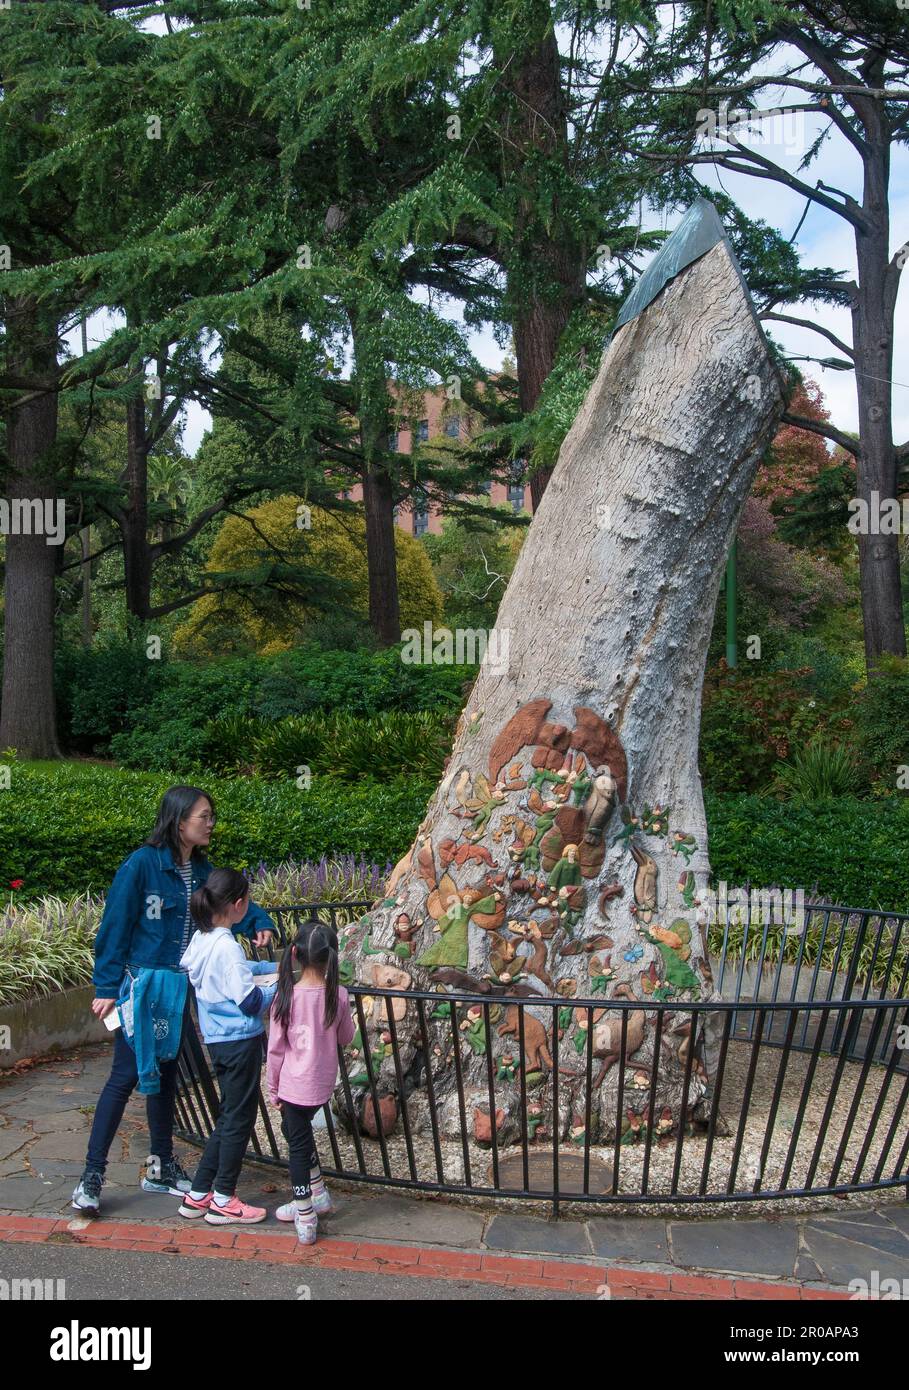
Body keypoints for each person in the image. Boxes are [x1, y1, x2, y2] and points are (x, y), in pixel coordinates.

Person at [72, 786, 275, 1217]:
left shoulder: (200, 868)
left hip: (178, 990)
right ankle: (91, 1176)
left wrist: (259, 921)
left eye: (211, 816)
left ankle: (161, 1166)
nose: (210, 822)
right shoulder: (141, 865)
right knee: (125, 1075)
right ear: (179, 819)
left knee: (166, 1074)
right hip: (143, 987)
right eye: (204, 816)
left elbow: (228, 904)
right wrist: (106, 987)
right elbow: (114, 927)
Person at [178, 869, 277, 1225]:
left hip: (217, 1040)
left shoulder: (203, 939)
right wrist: (281, 988)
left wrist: (270, 967)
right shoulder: (228, 946)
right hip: (239, 1042)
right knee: (239, 1121)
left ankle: (198, 1194)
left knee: (226, 1118)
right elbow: (250, 1001)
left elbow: (231, 973)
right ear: (238, 905)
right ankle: (224, 1199)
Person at [266, 920, 355, 1245]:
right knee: (294, 1132)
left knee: (298, 1149)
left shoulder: (285, 998)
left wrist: (272, 1087)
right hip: (321, 1085)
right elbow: (347, 1037)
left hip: (293, 1085)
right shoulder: (339, 995)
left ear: (294, 954)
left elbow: (275, 1050)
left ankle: (305, 1213)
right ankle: (318, 1193)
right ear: (332, 956)